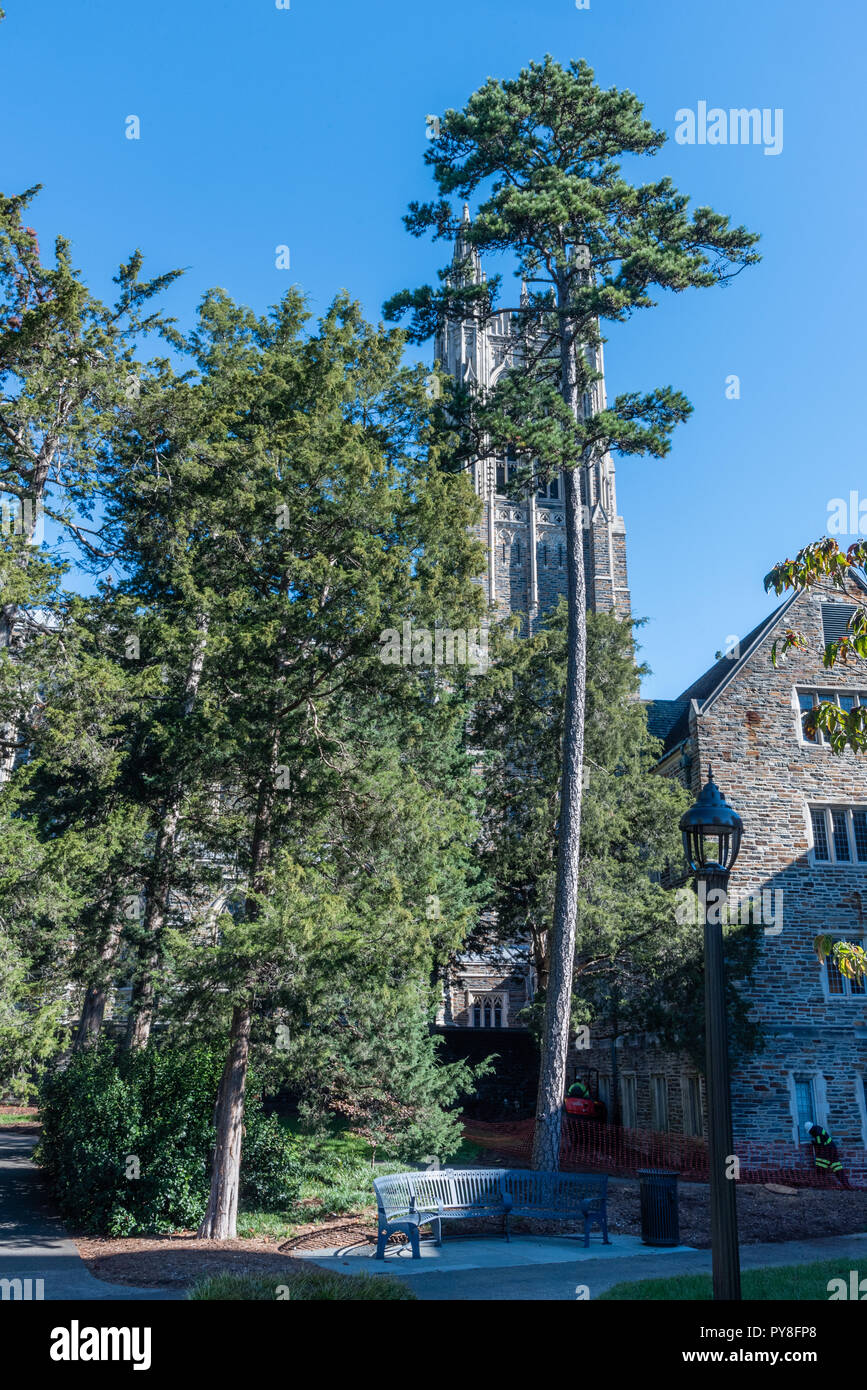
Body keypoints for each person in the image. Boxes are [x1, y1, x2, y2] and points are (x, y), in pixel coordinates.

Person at [806, 1122, 849, 1188]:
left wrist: (815, 1144)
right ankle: (846, 1184)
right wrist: (815, 1143)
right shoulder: (818, 1129)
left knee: (820, 1166)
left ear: (811, 1130)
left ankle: (821, 1184)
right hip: (832, 1149)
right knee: (837, 1168)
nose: (810, 1134)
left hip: (827, 1151)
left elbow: (821, 1146)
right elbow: (822, 1142)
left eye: (809, 1132)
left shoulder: (817, 1134)